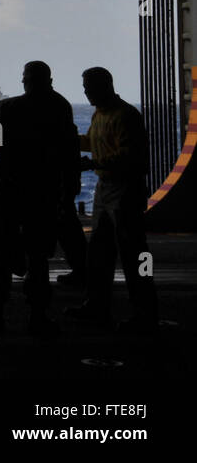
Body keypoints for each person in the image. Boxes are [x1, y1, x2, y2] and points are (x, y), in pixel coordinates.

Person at [0, 61, 78, 337]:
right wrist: (70, 190)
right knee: (39, 257)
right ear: (49, 80)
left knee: (1, 255)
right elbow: (69, 152)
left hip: (8, 194)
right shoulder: (60, 108)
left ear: (25, 81)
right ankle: (38, 316)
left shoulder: (6, 109)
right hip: (43, 194)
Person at [65, 67, 159, 333]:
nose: (85, 91)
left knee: (136, 254)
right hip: (105, 188)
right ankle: (97, 304)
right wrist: (70, 140)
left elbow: (129, 157)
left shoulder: (126, 116)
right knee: (99, 252)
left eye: (88, 87)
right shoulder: (101, 114)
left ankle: (146, 311)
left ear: (103, 85)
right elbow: (93, 142)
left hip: (126, 190)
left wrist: (92, 162)